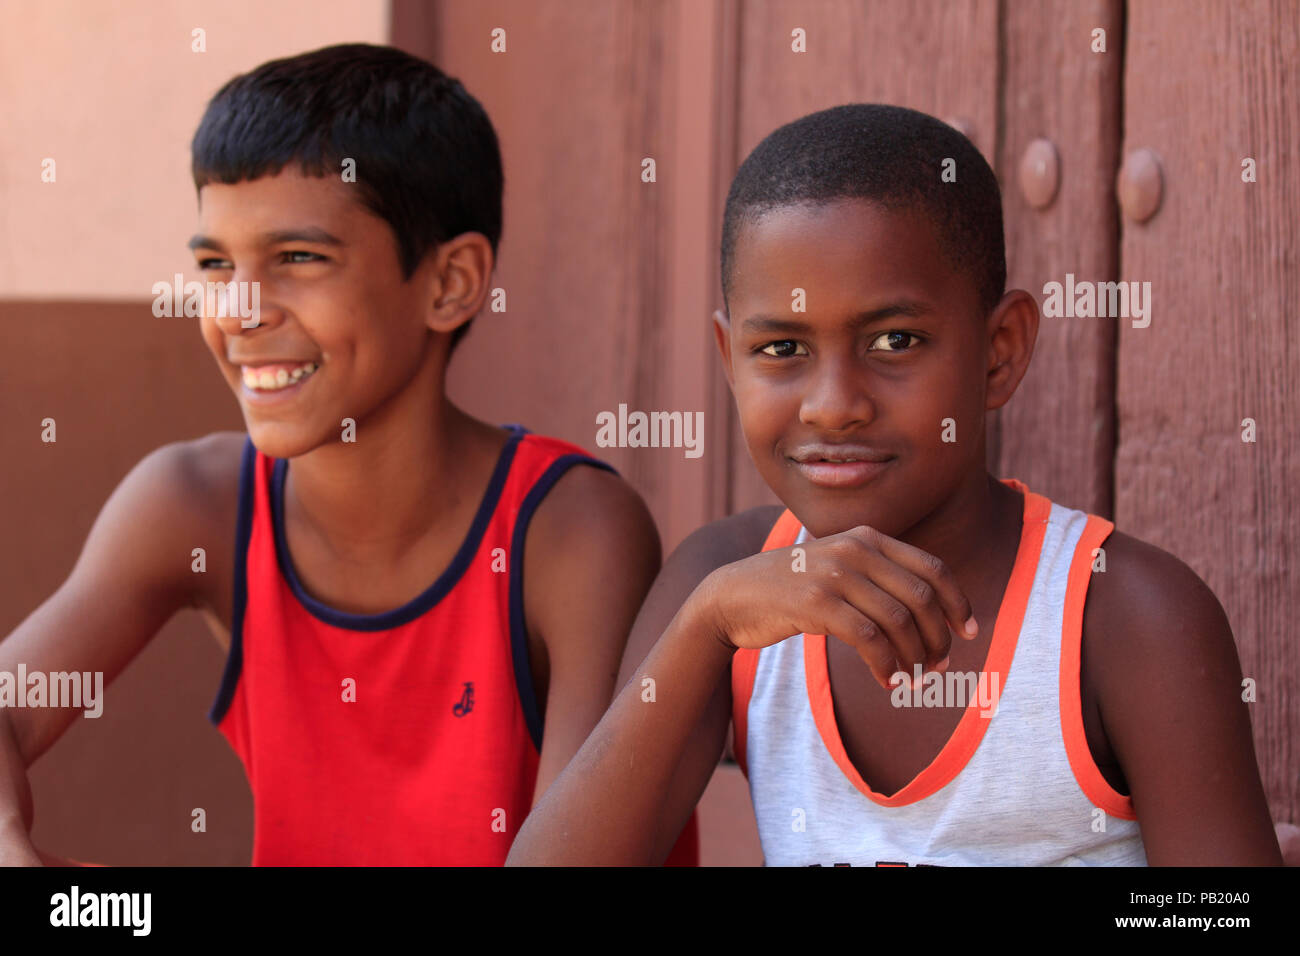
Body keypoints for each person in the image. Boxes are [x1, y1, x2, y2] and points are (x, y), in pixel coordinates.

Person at [506, 104, 1283, 866]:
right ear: (728, 357)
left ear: (999, 351)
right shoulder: (726, 585)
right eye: (781, 348)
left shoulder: (1123, 616)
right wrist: (704, 626)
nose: (833, 404)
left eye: (894, 340)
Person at [0, 43, 698, 866]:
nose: (240, 311)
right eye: (217, 265)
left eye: (298, 260)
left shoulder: (570, 531)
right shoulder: (197, 502)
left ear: (451, 284)